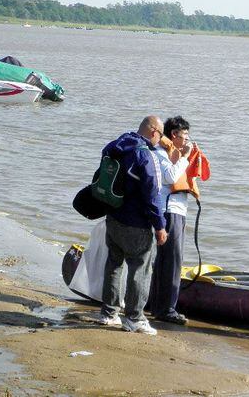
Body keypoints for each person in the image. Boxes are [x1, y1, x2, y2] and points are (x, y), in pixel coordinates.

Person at [97, 115, 168, 336]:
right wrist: (160, 225)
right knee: (140, 268)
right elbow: (153, 194)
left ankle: (109, 313)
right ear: (154, 132)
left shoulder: (117, 145)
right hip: (136, 223)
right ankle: (134, 318)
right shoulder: (147, 155)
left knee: (114, 264)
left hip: (113, 216)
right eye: (161, 135)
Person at [149, 115, 195, 325]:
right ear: (174, 135)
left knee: (165, 260)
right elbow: (170, 178)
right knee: (172, 260)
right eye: (185, 135)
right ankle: (166, 309)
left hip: (176, 210)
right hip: (169, 211)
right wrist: (185, 157)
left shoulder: (170, 152)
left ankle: (155, 304)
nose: (187, 139)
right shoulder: (161, 152)